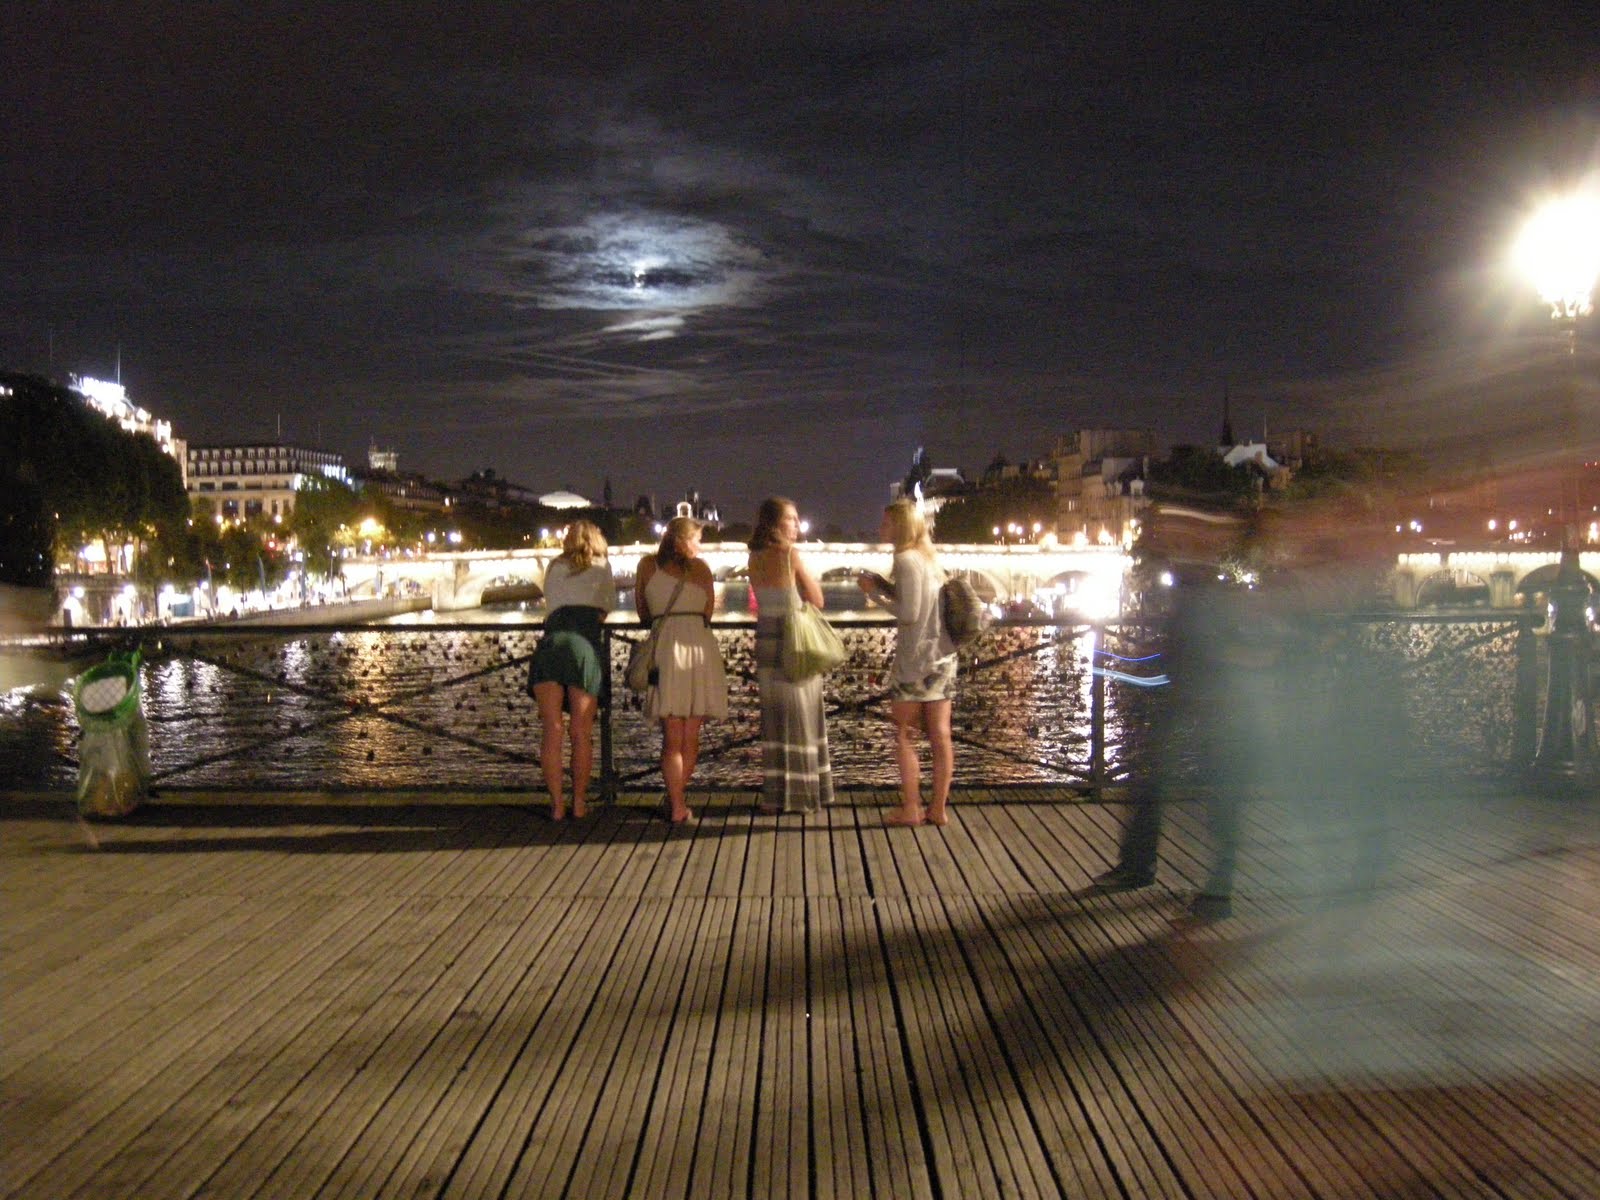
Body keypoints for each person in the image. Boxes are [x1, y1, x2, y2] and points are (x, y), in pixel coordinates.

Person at [1094, 504, 1276, 920]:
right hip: (1187, 692)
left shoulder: (1204, 582)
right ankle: (1150, 867)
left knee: (1207, 791)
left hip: (1208, 696)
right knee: (1164, 781)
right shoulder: (1198, 578)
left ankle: (1206, 884)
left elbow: (1210, 639)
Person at [857, 497, 958, 827]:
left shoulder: (904, 558)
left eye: (885, 523)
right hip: (942, 658)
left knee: (904, 735)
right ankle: (939, 809)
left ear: (899, 526)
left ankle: (911, 808)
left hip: (914, 661)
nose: (880, 527)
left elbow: (909, 613)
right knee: (941, 736)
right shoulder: (929, 559)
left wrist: (873, 594)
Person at [636, 516, 728, 823]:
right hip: (699, 649)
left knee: (671, 736)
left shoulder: (646, 566)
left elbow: (642, 612)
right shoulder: (701, 569)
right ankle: (678, 800)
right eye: (697, 540)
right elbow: (708, 612)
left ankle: (675, 803)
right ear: (680, 541)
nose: (700, 546)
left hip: (666, 648)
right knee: (691, 735)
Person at [748, 496, 835, 814]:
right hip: (795, 642)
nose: (797, 524)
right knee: (801, 716)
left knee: (775, 719)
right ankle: (803, 794)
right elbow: (817, 599)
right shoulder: (790, 554)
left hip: (766, 641)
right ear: (775, 524)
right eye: (791, 519)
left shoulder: (753, 557)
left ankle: (775, 795)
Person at [527, 520, 617, 821]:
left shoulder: (552, 567)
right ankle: (579, 803)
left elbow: (550, 604)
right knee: (581, 732)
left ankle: (556, 806)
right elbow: (607, 607)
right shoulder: (602, 566)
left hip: (551, 647)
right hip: (584, 648)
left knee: (552, 730)